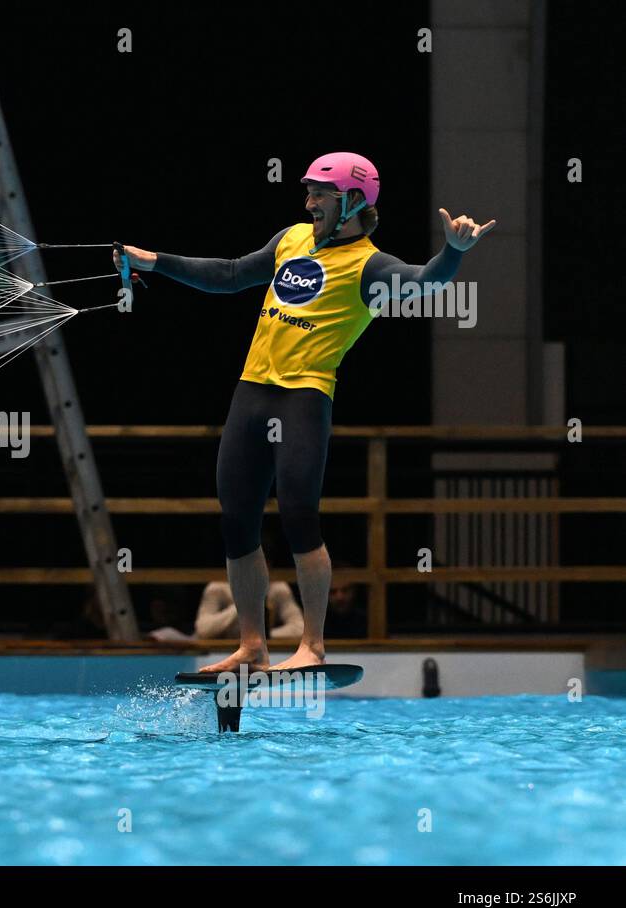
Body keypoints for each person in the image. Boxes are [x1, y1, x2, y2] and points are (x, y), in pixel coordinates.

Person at [117, 152, 495, 671]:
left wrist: (452, 252)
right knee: (237, 521)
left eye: (320, 192)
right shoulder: (291, 238)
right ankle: (252, 646)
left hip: (304, 398)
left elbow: (426, 283)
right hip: (251, 393)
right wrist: (154, 261)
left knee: (298, 516)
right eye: (309, 192)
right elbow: (228, 275)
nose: (309, 201)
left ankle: (312, 646)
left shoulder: (370, 266)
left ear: (353, 201)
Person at [148, 580, 302, 643]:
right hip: (218, 653)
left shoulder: (278, 589)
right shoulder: (218, 589)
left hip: (257, 649)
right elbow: (203, 630)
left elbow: (300, 629)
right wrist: (243, 605)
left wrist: (262, 636)